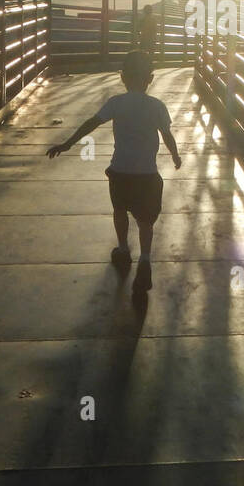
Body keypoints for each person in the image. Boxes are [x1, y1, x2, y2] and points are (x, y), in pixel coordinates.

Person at [46, 50, 181, 301]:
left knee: (120, 210)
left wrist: (67, 144)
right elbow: (167, 135)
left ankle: (122, 249)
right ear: (150, 79)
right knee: (145, 221)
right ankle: (146, 258)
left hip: (120, 171)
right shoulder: (157, 106)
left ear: (122, 77)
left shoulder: (116, 103)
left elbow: (91, 123)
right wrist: (175, 156)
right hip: (147, 175)